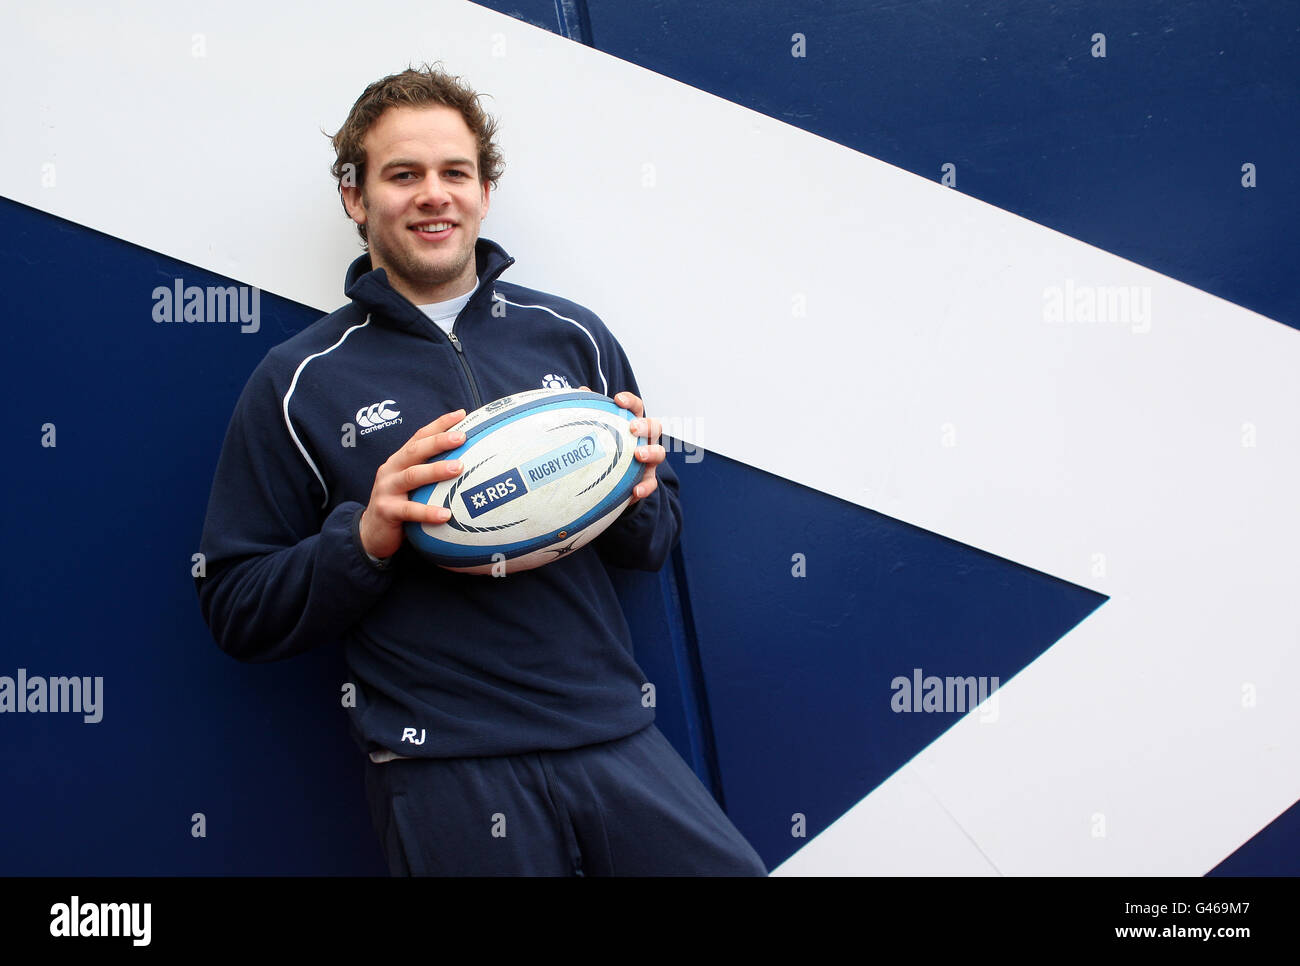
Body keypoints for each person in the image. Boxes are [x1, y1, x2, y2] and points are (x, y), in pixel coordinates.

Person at [195, 64, 766, 876]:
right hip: (444, 767)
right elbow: (234, 606)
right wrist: (366, 539)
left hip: (607, 732)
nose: (434, 194)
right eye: (404, 175)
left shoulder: (572, 337)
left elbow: (653, 542)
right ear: (356, 199)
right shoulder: (298, 383)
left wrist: (640, 493)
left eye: (454, 172)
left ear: (484, 192)